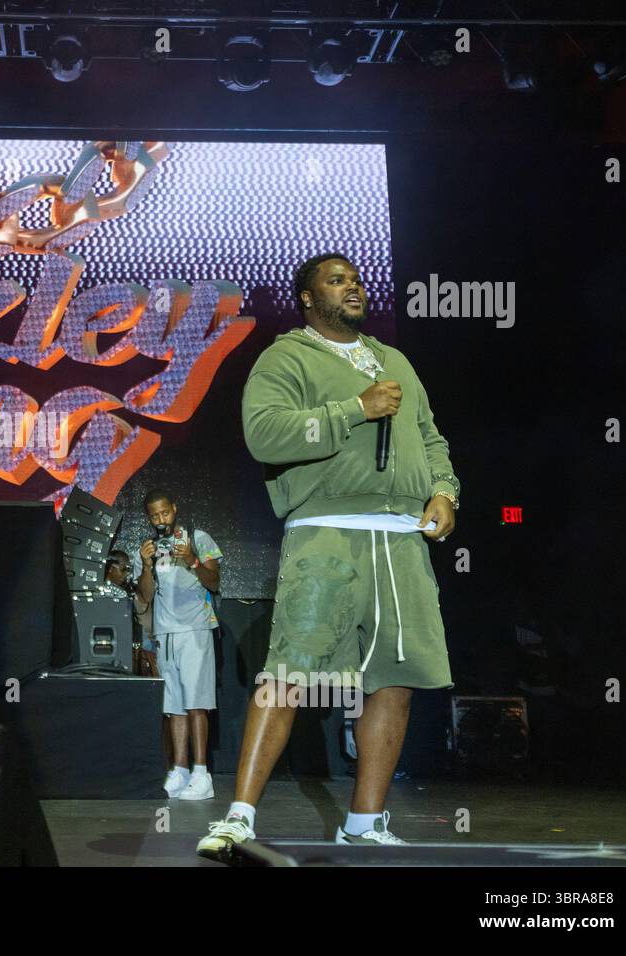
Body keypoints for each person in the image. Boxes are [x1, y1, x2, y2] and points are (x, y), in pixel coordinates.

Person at [198, 252, 459, 859]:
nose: (352, 288)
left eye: (356, 280)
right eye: (336, 281)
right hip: (328, 532)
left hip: (401, 538)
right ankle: (238, 818)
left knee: (395, 682)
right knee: (289, 675)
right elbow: (264, 433)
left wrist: (445, 491)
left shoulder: (395, 361)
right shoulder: (287, 357)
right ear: (309, 299)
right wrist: (354, 409)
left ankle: (365, 820)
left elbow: (429, 436)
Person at [130, 489, 223, 801]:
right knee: (174, 707)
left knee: (197, 703)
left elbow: (215, 581)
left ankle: (202, 773)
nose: (160, 520)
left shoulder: (198, 538)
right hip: (165, 634)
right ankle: (180, 770)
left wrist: (193, 560)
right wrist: (145, 565)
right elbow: (144, 595)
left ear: (174, 508)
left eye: (164, 513)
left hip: (195, 629)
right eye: (154, 516)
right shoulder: (150, 548)